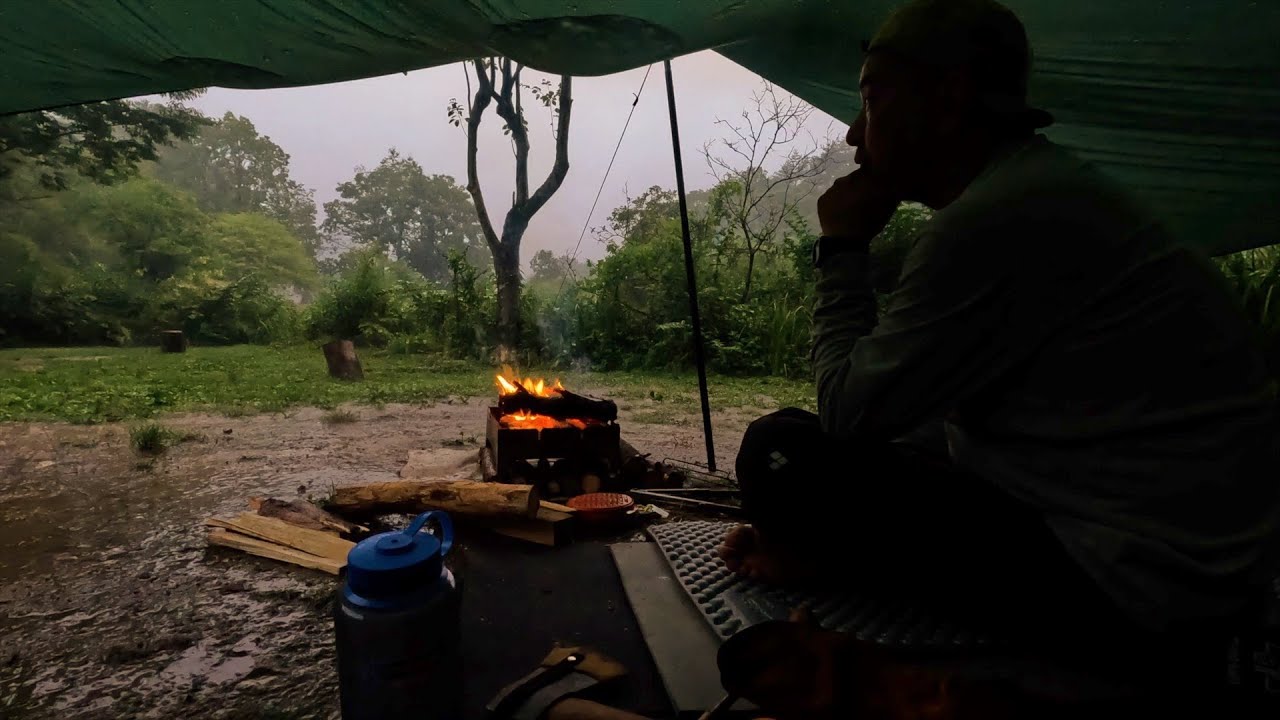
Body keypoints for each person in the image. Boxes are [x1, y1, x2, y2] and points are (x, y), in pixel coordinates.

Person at [720, 0, 1280, 693]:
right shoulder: (1042, 190)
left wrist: (842, 250)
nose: (855, 132)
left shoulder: (997, 218)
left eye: (872, 98)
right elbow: (930, 420)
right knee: (835, 455)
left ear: (950, 96)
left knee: (782, 451)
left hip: (1140, 588)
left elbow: (846, 415)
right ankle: (815, 553)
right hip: (1184, 562)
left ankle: (818, 560)